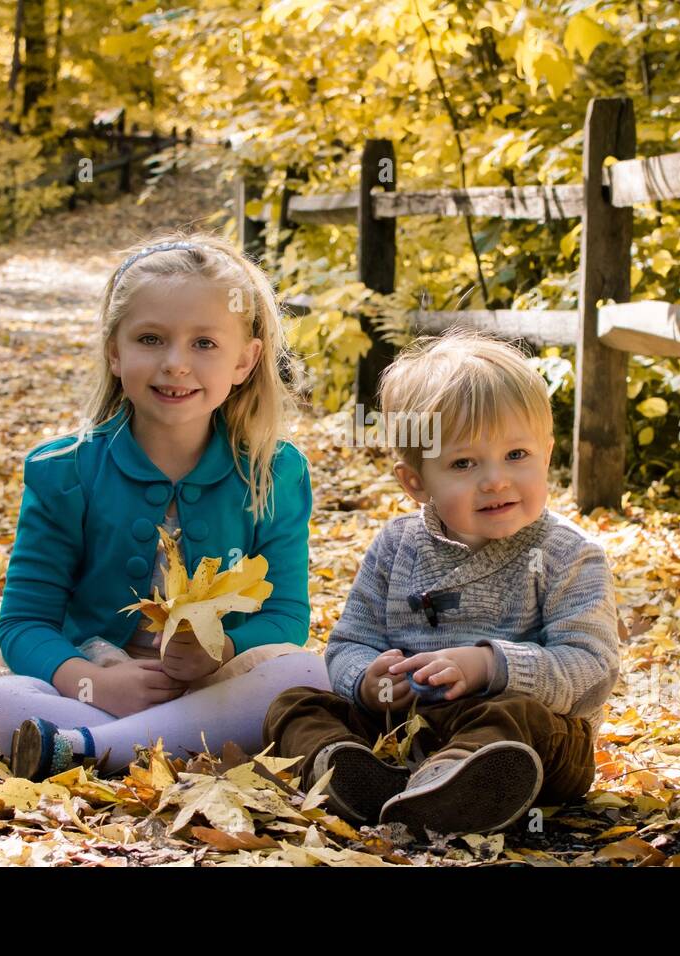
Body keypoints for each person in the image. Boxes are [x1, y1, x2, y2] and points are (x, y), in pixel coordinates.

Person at [0, 232, 330, 781]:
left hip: (215, 679)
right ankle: (166, 739)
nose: (176, 364)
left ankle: (85, 748)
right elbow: (24, 622)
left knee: (307, 676)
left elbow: (287, 617)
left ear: (245, 361)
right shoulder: (63, 471)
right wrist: (92, 680)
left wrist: (221, 647)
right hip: (92, 678)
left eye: (205, 344)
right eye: (151, 339)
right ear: (115, 350)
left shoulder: (274, 473)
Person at [263, 329, 620, 839]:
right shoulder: (396, 545)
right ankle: (347, 774)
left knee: (517, 717)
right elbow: (349, 643)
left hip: (525, 734)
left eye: (516, 455)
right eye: (464, 464)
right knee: (296, 703)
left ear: (546, 453)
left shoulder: (567, 553)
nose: (495, 480)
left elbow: (592, 671)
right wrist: (369, 680)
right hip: (407, 726)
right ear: (416, 482)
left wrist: (492, 666)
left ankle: (459, 784)